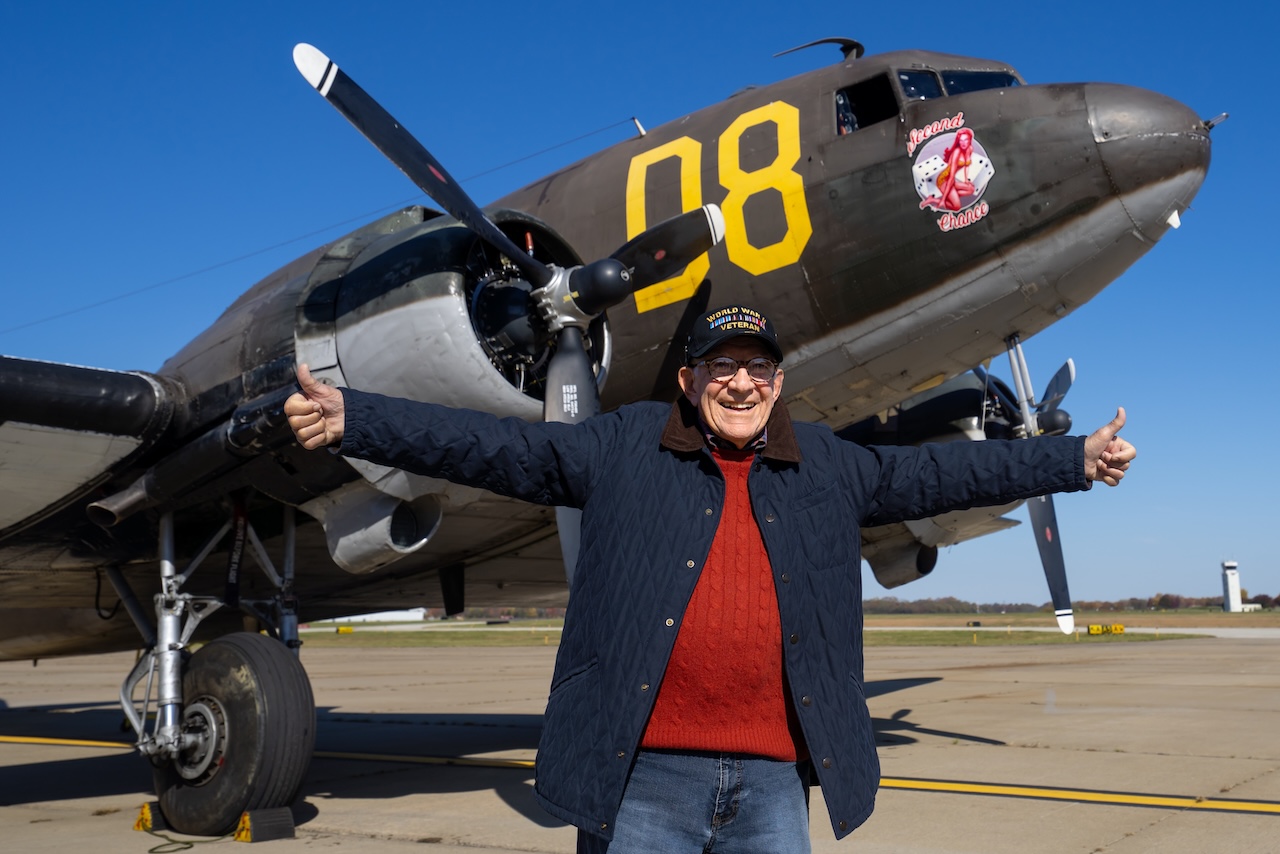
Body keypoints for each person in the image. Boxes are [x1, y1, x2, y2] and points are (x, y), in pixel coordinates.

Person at [285, 304, 1134, 852]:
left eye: (757, 368)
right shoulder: (623, 446)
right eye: (720, 367)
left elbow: (950, 480)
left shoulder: (834, 467)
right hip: (642, 773)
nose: (739, 381)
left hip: (769, 781)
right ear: (690, 383)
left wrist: (1075, 458)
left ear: (778, 383)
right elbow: (492, 448)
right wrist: (359, 416)